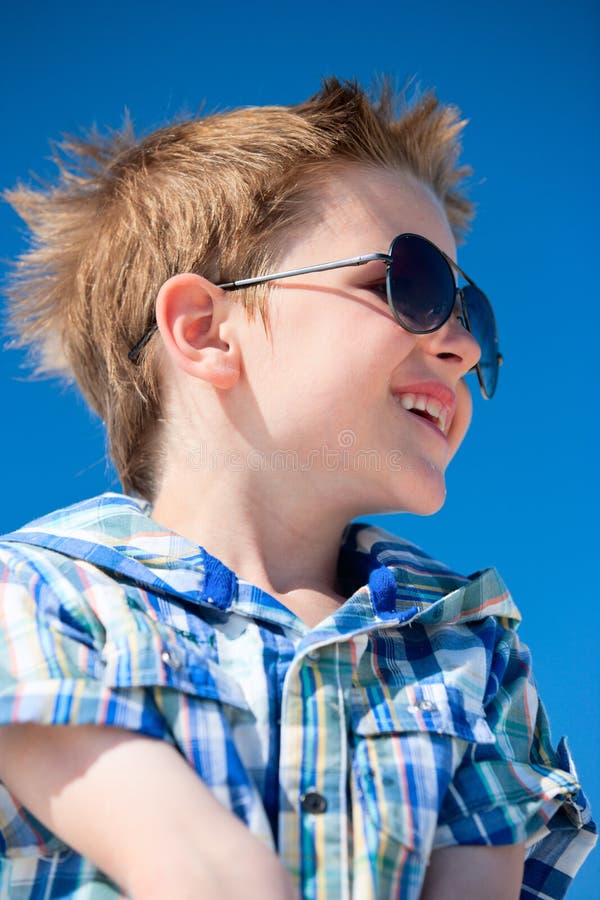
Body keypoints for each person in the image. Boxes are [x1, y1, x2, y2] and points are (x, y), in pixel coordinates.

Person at [0, 78, 595, 900]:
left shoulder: (469, 650)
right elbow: (205, 873)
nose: (459, 343)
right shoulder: (39, 596)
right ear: (207, 331)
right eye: (411, 286)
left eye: (474, 316)